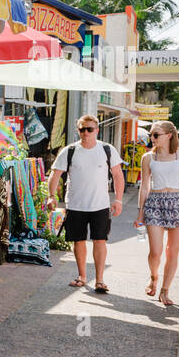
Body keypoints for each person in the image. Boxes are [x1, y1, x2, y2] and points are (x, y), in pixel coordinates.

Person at [48, 114, 125, 293]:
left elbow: (118, 175)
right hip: (75, 204)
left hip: (100, 205)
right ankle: (82, 276)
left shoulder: (107, 149)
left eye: (89, 129)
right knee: (78, 240)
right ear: (78, 130)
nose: (86, 133)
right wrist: (51, 196)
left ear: (97, 130)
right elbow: (55, 174)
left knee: (100, 240)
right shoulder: (70, 151)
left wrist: (119, 200)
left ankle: (99, 280)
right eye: (82, 129)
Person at [134, 119, 179, 307]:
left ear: (169, 135)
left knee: (173, 251)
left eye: (156, 135)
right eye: (151, 135)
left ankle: (165, 290)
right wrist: (140, 213)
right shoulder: (148, 157)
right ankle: (153, 276)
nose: (152, 138)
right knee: (155, 251)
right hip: (155, 203)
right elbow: (144, 187)